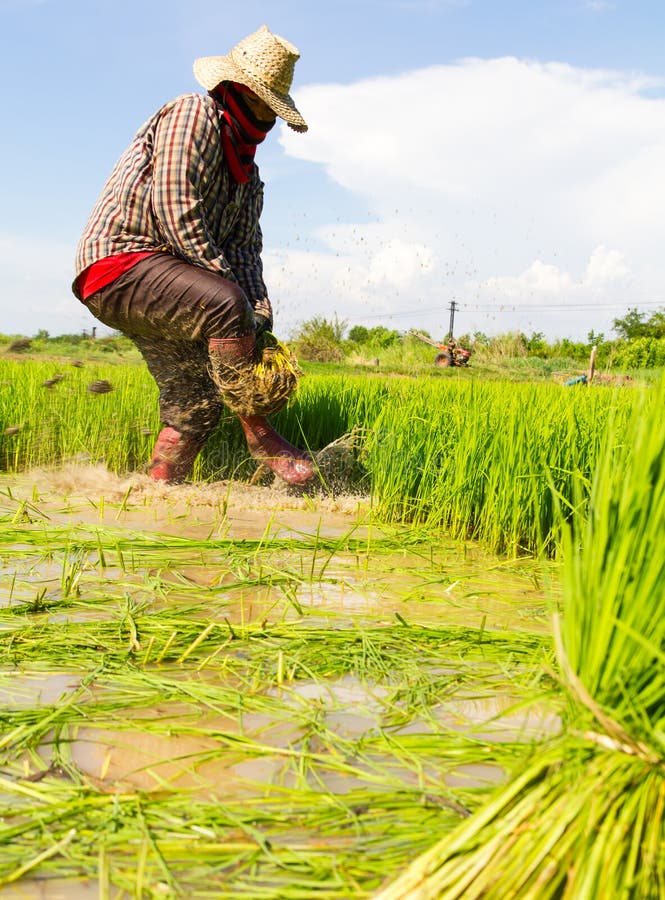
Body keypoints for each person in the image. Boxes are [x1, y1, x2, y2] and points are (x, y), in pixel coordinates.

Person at [72, 25, 315, 487]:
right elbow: (174, 206)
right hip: (122, 264)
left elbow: (245, 250)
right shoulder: (193, 114)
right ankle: (261, 436)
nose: (265, 120)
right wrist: (234, 301)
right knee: (226, 304)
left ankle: (156, 497)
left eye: (272, 111)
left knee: (197, 405)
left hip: (174, 286)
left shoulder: (249, 178)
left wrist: (258, 312)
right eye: (260, 104)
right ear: (236, 90)